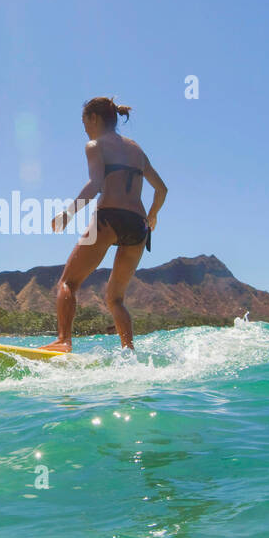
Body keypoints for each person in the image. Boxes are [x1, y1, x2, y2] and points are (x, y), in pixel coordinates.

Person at [42, 96, 168, 352]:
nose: (84, 127)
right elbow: (162, 189)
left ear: (94, 118)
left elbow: (96, 184)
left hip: (109, 218)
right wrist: (152, 215)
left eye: (84, 121)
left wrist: (68, 213)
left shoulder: (94, 145)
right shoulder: (137, 150)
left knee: (68, 283)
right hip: (138, 226)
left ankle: (64, 340)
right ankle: (128, 352)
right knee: (115, 299)